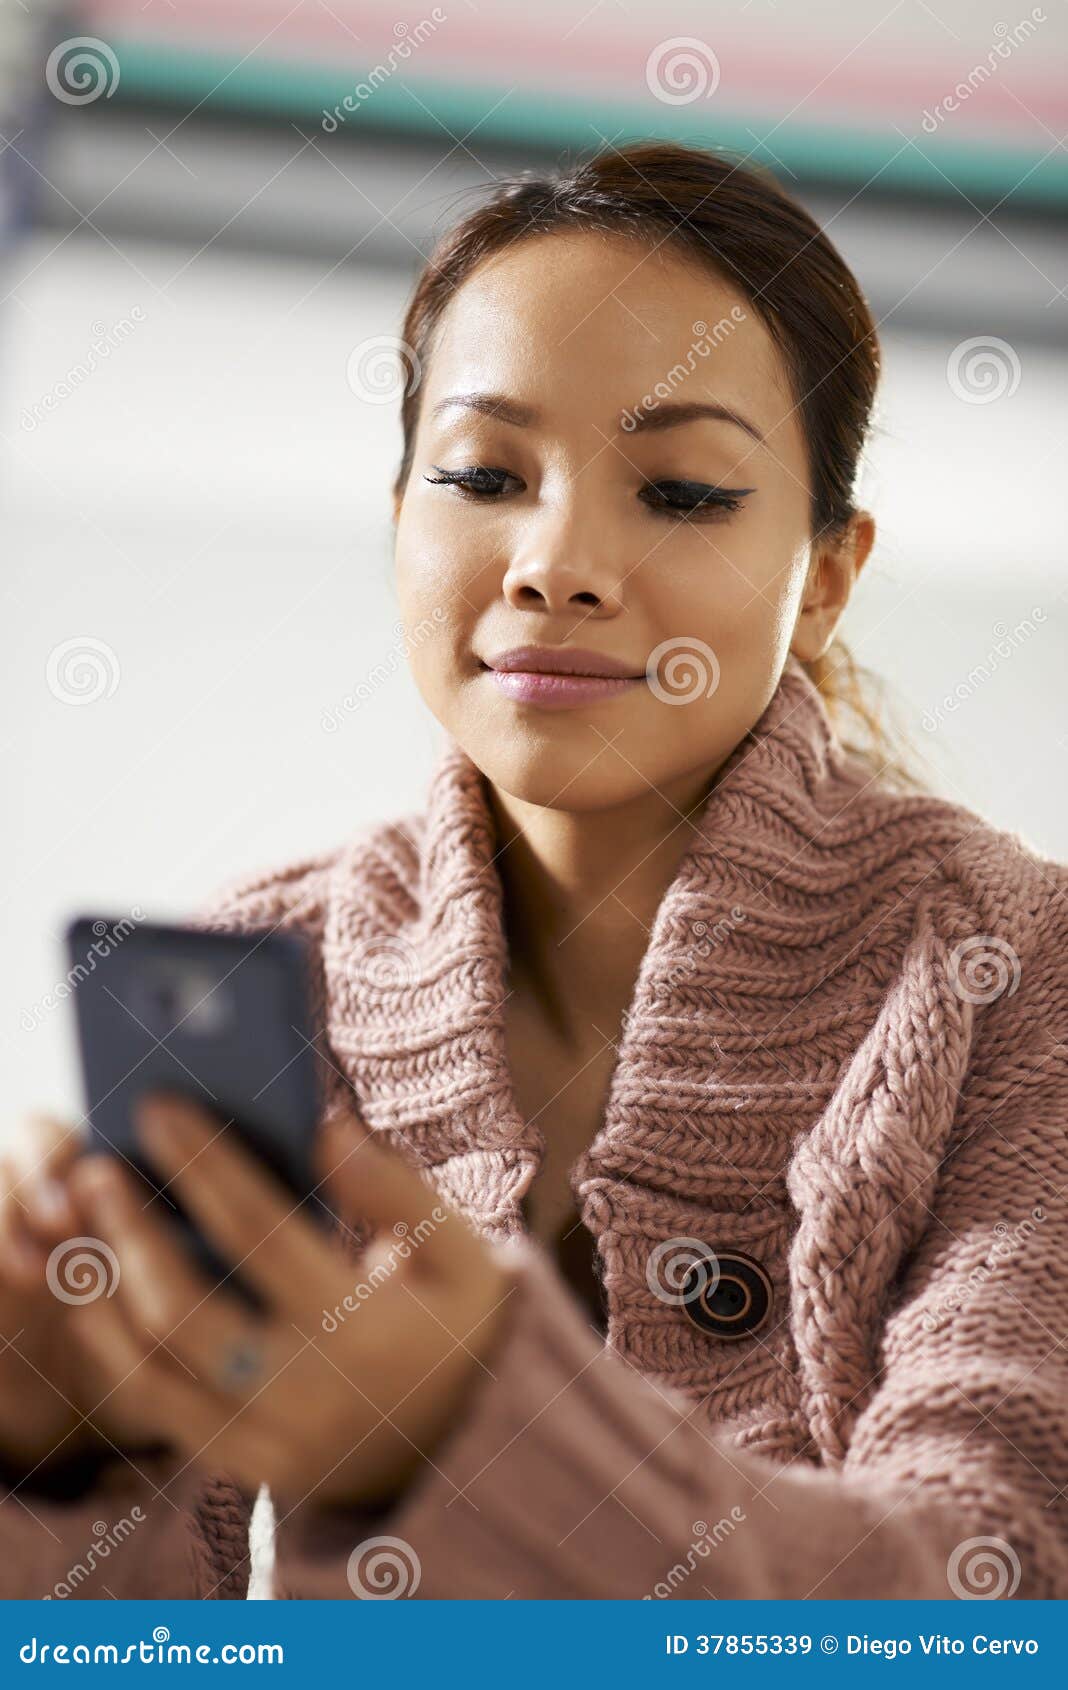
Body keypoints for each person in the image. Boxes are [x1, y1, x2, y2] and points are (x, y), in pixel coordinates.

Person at [2, 141, 1065, 1601]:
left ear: (824, 575)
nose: (557, 562)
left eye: (684, 491)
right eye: (484, 474)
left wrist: (464, 1429)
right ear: (398, 525)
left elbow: (997, 1590)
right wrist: (56, 1460)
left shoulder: (1014, 971)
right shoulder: (259, 966)